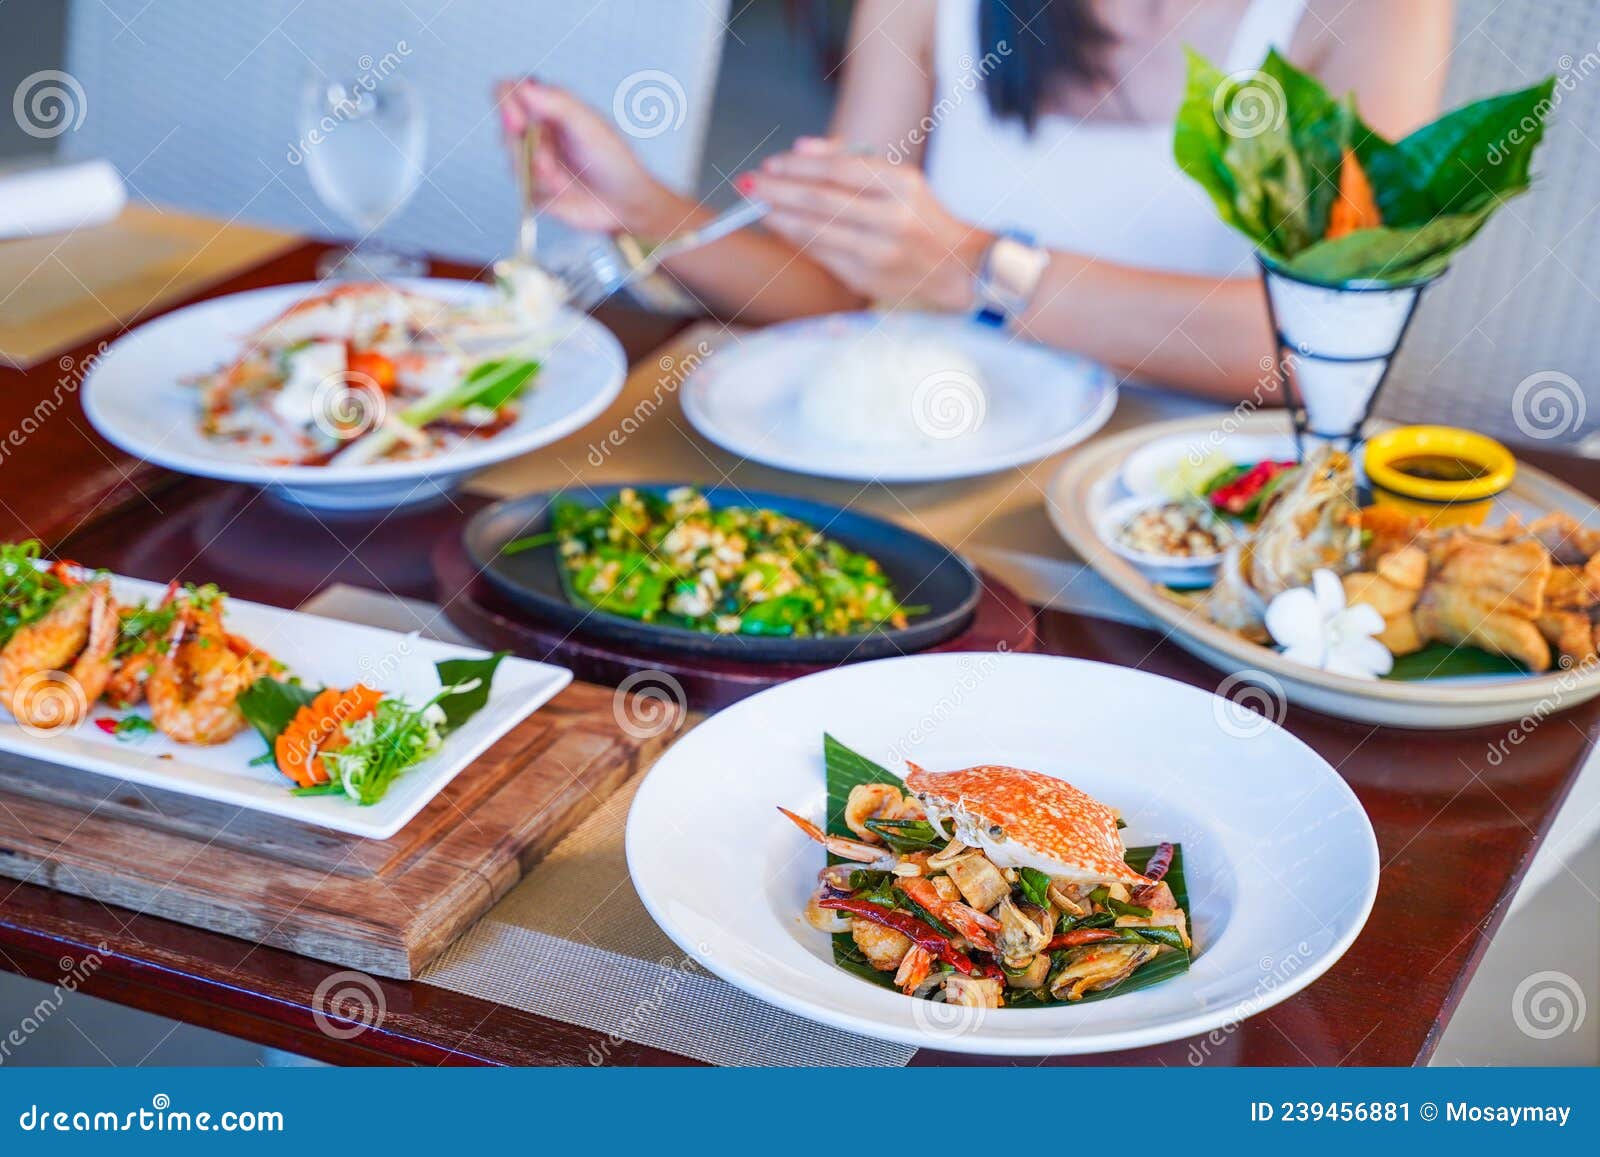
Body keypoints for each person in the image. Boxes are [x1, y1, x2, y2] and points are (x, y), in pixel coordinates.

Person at [498, 0, 1452, 402]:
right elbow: (844, 285)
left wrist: (972, 268)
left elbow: (1327, 338)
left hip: (1192, 515)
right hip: (933, 479)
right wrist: (647, 210)